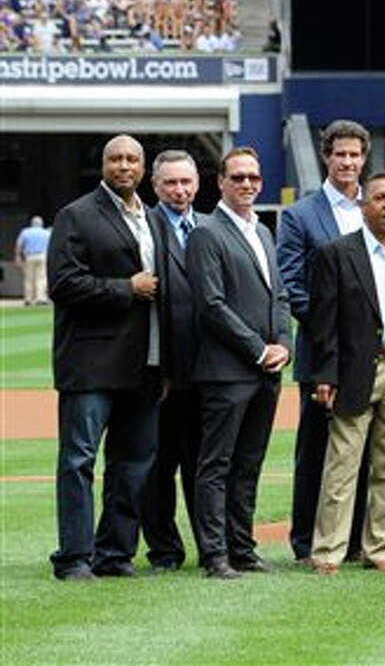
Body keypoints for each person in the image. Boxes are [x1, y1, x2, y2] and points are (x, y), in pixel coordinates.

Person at [47, 134, 166, 581]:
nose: (124, 166)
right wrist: (125, 288)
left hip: (146, 363)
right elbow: (62, 284)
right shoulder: (76, 215)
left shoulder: (152, 219)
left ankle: (115, 554)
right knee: (79, 460)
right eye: (116, 158)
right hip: (92, 363)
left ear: (143, 166)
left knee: (133, 463)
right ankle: (74, 558)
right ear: (103, 165)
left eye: (132, 159)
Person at [309, 172, 385, 574]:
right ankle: (328, 551)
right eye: (380, 198)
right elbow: (323, 323)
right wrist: (325, 375)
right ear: (364, 205)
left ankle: (379, 548)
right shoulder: (337, 253)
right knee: (342, 465)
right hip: (355, 370)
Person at [186, 147, 291, 579]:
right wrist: (257, 348)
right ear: (221, 183)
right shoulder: (207, 233)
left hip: (266, 371)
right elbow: (210, 305)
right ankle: (214, 554)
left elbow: (279, 294)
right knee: (216, 465)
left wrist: (283, 341)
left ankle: (242, 548)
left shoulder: (263, 232)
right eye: (238, 177)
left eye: (253, 178)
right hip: (227, 371)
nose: (247, 184)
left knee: (249, 465)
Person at [277, 119, 371, 566]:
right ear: (326, 157)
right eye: (340, 154)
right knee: (316, 450)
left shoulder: (378, 207)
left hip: (374, 357)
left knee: (366, 450)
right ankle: (305, 541)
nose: (348, 162)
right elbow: (292, 286)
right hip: (323, 353)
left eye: (355, 155)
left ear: (364, 158)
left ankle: (354, 540)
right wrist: (330, 334)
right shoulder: (300, 215)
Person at [140, 149, 208, 571]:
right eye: (170, 183)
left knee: (206, 465)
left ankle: (211, 546)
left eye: (186, 182)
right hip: (160, 373)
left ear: (198, 183)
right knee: (158, 467)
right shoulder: (144, 228)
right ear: (155, 185)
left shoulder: (214, 227)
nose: (179, 190)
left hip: (208, 372)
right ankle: (164, 550)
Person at [15, 215, 51, 305]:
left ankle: (28, 299)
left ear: (32, 223)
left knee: (29, 278)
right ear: (41, 224)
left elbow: (19, 245)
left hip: (30, 256)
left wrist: (18, 256)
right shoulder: (46, 232)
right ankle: (41, 298)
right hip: (43, 256)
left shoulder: (25, 232)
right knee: (42, 278)